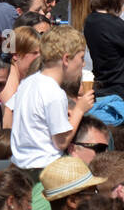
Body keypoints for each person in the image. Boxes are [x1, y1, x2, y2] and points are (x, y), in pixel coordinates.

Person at [7, 26, 93, 176]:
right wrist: (79, 109)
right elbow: (61, 142)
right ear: (66, 59)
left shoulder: (28, 82)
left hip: (20, 166)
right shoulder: (54, 92)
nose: (83, 64)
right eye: (81, 58)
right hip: (43, 170)